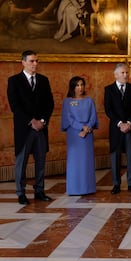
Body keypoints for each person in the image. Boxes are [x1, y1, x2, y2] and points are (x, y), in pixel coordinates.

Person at [7, 50, 55, 205]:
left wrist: (42, 121)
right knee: (21, 163)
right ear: (23, 62)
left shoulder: (44, 80)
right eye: (32, 61)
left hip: (41, 128)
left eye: (37, 61)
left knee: (41, 161)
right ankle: (21, 193)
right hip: (24, 129)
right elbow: (15, 105)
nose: (35, 64)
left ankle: (39, 190)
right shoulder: (14, 80)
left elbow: (50, 104)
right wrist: (31, 121)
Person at [104, 62, 131, 194]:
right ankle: (116, 184)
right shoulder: (108, 89)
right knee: (115, 157)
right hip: (116, 128)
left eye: (127, 72)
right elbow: (108, 110)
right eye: (123, 73)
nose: (126, 75)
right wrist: (120, 123)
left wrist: (129, 123)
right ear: (116, 75)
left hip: (130, 128)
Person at [61, 76, 98, 195]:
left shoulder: (89, 101)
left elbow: (93, 117)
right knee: (75, 162)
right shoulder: (68, 102)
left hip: (87, 135)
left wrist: (87, 128)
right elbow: (69, 119)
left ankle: (88, 188)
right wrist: (81, 127)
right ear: (72, 87)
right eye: (77, 85)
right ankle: (74, 189)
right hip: (74, 135)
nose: (80, 87)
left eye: (82, 85)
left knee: (86, 162)